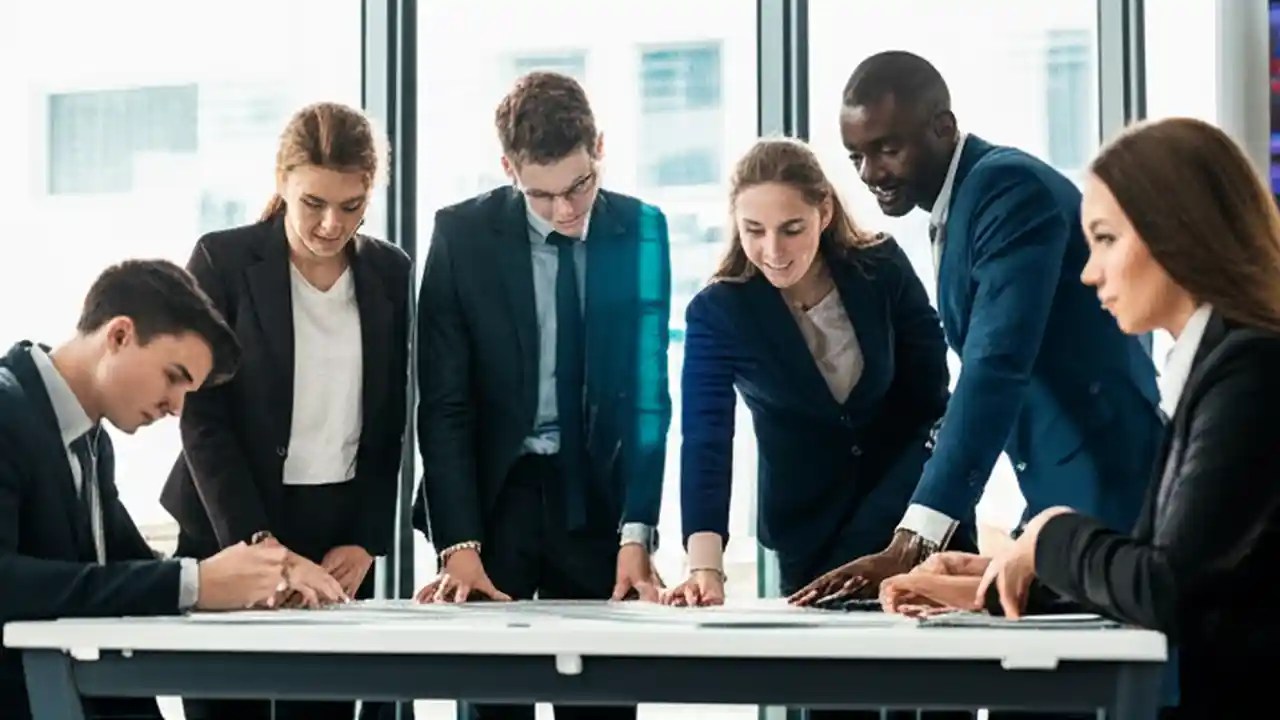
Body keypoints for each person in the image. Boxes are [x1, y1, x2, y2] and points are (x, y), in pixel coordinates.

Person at [791, 51, 1163, 605]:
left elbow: (995, 364)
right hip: (1057, 490)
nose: (871, 174)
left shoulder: (1007, 189)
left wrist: (913, 540)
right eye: (857, 157)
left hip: (1106, 484)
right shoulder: (963, 201)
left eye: (887, 149)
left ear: (944, 126)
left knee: (1097, 679)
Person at [967, 117, 1280, 718]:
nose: (1089, 272)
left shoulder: (1251, 372)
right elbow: (1165, 575)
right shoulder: (1221, 366)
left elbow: (1169, 589)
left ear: (1176, 231)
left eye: (1105, 239)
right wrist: (1008, 574)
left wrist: (1049, 533)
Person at [664, 137, 962, 720]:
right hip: (814, 539)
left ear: (824, 213)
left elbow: (935, 401)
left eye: (791, 228)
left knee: (935, 699)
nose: (772, 250)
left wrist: (904, 525)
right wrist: (705, 565)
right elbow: (704, 438)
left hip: (915, 522)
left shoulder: (881, 267)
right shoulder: (718, 311)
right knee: (834, 705)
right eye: (753, 229)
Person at [410, 71, 671, 720]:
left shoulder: (642, 230)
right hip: (496, 501)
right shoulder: (460, 237)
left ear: (600, 147)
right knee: (493, 702)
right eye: (541, 194)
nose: (564, 210)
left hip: (596, 498)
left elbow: (648, 398)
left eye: (579, 185)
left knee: (602, 700)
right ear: (508, 168)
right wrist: (458, 544)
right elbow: (443, 403)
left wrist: (637, 531)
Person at [161, 101, 411, 720]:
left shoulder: (390, 271)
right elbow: (202, 417)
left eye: (351, 206)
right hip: (231, 524)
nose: (332, 224)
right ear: (282, 181)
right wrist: (259, 544)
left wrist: (367, 539)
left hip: (336, 542)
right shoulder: (223, 260)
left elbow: (390, 415)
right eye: (313, 203)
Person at [0, 259, 291, 720]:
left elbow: (122, 565)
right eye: (173, 377)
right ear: (119, 335)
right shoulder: (6, 409)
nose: (177, 407)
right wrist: (194, 583)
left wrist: (257, 578)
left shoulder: (90, 440)